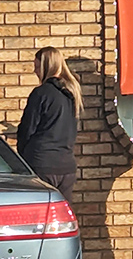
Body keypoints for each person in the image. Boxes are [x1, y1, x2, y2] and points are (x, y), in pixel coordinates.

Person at [16, 46, 83, 204]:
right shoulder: (72, 93)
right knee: (61, 214)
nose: (35, 71)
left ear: (47, 66)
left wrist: (22, 154)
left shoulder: (41, 93)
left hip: (41, 163)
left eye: (37, 66)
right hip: (66, 166)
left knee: (39, 212)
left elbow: (27, 129)